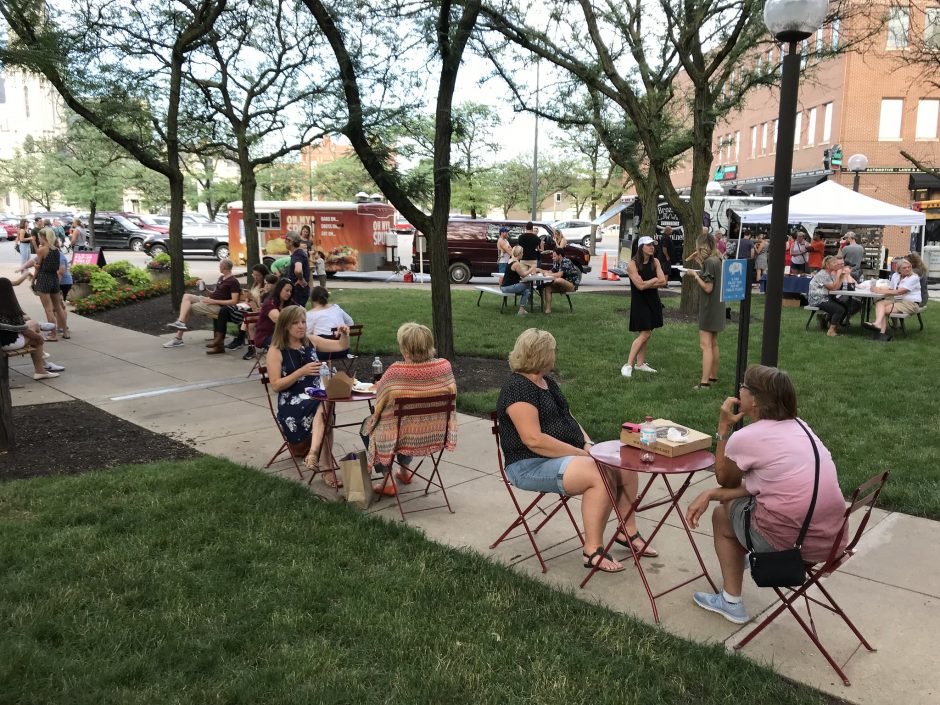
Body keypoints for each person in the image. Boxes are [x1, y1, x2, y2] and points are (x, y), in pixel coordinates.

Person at [685, 365, 847, 624]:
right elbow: (765, 484)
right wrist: (712, 493)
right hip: (831, 542)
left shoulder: (749, 437)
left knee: (722, 517)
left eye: (743, 387)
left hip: (792, 548)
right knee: (735, 505)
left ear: (755, 399)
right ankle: (744, 557)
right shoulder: (801, 427)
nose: (739, 391)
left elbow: (726, 479)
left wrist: (723, 429)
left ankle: (730, 601)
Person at [497, 329, 656, 574]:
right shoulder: (517, 388)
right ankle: (592, 550)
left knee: (619, 462)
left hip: (564, 457)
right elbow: (534, 440)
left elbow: (568, 417)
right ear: (541, 355)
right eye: (552, 351)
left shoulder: (546, 381)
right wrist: (582, 455)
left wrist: (589, 445)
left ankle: (627, 530)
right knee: (598, 474)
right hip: (528, 464)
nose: (555, 355)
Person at [360, 322, 457, 496]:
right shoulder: (444, 366)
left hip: (402, 437)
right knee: (406, 423)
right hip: (434, 433)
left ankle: (388, 480)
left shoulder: (395, 371)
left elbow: (380, 403)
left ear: (405, 349)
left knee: (368, 426)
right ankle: (404, 471)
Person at [265, 305, 330, 475]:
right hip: (292, 404)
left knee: (327, 404)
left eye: (303, 321)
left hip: (316, 399)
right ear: (285, 326)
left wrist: (345, 335)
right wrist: (301, 371)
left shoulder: (310, 342)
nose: (301, 326)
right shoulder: (276, 350)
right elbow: (276, 385)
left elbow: (340, 346)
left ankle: (316, 456)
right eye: (296, 323)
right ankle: (323, 463)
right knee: (327, 408)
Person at [163, 258, 241, 349]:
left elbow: (234, 301)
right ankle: (180, 322)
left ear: (224, 267)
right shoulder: (221, 278)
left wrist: (213, 301)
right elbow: (214, 294)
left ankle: (178, 338)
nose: (218, 267)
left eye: (219, 265)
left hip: (219, 307)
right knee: (186, 296)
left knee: (188, 308)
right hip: (210, 300)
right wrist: (204, 288)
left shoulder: (233, 281)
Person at [0, 278, 65, 380]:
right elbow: (22, 329)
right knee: (36, 339)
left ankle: (43, 362)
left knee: (31, 324)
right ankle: (40, 370)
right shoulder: (8, 307)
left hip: (4, 339)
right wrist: (38, 338)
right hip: (7, 343)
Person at [622, 236, 667, 378]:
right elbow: (640, 287)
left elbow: (663, 281)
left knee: (646, 334)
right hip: (639, 302)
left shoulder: (656, 262)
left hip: (653, 301)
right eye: (648, 245)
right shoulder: (632, 265)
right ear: (641, 247)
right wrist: (654, 280)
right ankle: (628, 364)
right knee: (645, 333)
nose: (652, 247)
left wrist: (650, 282)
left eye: (653, 245)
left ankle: (640, 364)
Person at [685, 232, 724, 390]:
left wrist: (694, 275)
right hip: (718, 306)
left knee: (705, 345)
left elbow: (708, 287)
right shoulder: (717, 260)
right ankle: (713, 377)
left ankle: (704, 382)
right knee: (714, 344)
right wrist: (699, 264)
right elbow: (711, 276)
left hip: (709, 307)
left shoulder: (710, 262)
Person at [866, 259, 921, 341]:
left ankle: (881, 332)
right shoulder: (895, 275)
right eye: (904, 268)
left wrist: (878, 291)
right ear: (898, 269)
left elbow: (899, 292)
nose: (907, 269)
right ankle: (878, 325)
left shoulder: (914, 278)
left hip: (911, 303)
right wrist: (877, 288)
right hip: (898, 302)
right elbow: (891, 289)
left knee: (884, 309)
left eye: (909, 267)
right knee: (879, 303)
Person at [33, 229, 69, 341]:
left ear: (44, 237)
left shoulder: (42, 250)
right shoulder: (57, 250)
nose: (39, 239)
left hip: (44, 279)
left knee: (48, 309)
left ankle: (53, 335)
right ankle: (65, 332)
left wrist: (33, 279)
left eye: (40, 237)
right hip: (54, 279)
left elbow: (38, 267)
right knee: (58, 308)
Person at [808, 256, 857, 337]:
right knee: (839, 309)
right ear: (827, 265)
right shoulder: (823, 274)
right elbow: (833, 288)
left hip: (826, 297)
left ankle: (834, 327)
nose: (836, 264)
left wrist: (841, 277)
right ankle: (830, 331)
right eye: (834, 263)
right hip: (817, 299)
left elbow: (835, 287)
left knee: (845, 306)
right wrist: (839, 276)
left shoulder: (829, 274)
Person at [225, 263, 270, 351]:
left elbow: (261, 305)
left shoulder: (265, 288)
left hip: (255, 311)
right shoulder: (255, 285)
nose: (255, 277)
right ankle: (241, 342)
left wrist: (253, 298)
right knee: (225, 310)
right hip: (249, 307)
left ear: (264, 275)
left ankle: (242, 342)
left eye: (258, 275)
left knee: (247, 319)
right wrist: (248, 298)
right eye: (254, 275)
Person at [253, 277, 294, 352]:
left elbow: (302, 311)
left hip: (281, 335)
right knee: (289, 344)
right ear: (279, 289)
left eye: (290, 291)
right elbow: (278, 319)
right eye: (287, 290)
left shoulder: (289, 303)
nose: (289, 293)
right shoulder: (270, 302)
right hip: (265, 336)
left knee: (302, 341)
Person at [500, 245, 539, 316]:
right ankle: (530, 302)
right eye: (522, 252)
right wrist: (532, 268)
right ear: (519, 253)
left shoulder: (510, 260)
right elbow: (523, 275)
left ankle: (521, 310)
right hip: (508, 287)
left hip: (505, 287)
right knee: (528, 284)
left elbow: (517, 275)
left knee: (526, 291)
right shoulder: (516, 263)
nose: (523, 254)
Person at [542, 247, 581, 314]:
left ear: (559, 255)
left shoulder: (566, 261)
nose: (552, 258)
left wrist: (548, 274)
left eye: (554, 256)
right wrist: (540, 271)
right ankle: (548, 310)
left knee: (559, 280)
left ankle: (550, 283)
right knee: (548, 287)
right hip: (561, 284)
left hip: (571, 285)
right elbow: (551, 272)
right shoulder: (557, 262)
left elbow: (559, 275)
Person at [285, 232, 310, 307]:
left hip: (298, 292)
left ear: (290, 241)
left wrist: (301, 279)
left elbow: (298, 270)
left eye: (286, 240)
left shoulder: (297, 255)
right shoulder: (298, 254)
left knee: (295, 315)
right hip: (299, 291)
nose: (284, 242)